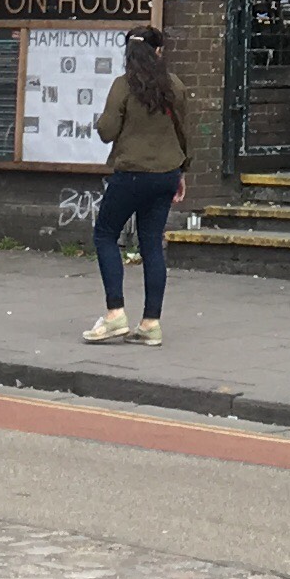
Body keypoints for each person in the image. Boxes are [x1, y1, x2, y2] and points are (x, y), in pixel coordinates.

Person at [84, 25, 190, 345]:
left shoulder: (123, 85)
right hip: (167, 173)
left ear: (129, 53)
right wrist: (182, 172)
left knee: (105, 234)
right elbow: (184, 133)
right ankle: (150, 324)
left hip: (131, 174)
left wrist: (102, 120)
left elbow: (107, 131)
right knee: (151, 244)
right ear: (159, 52)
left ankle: (115, 314)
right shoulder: (175, 86)